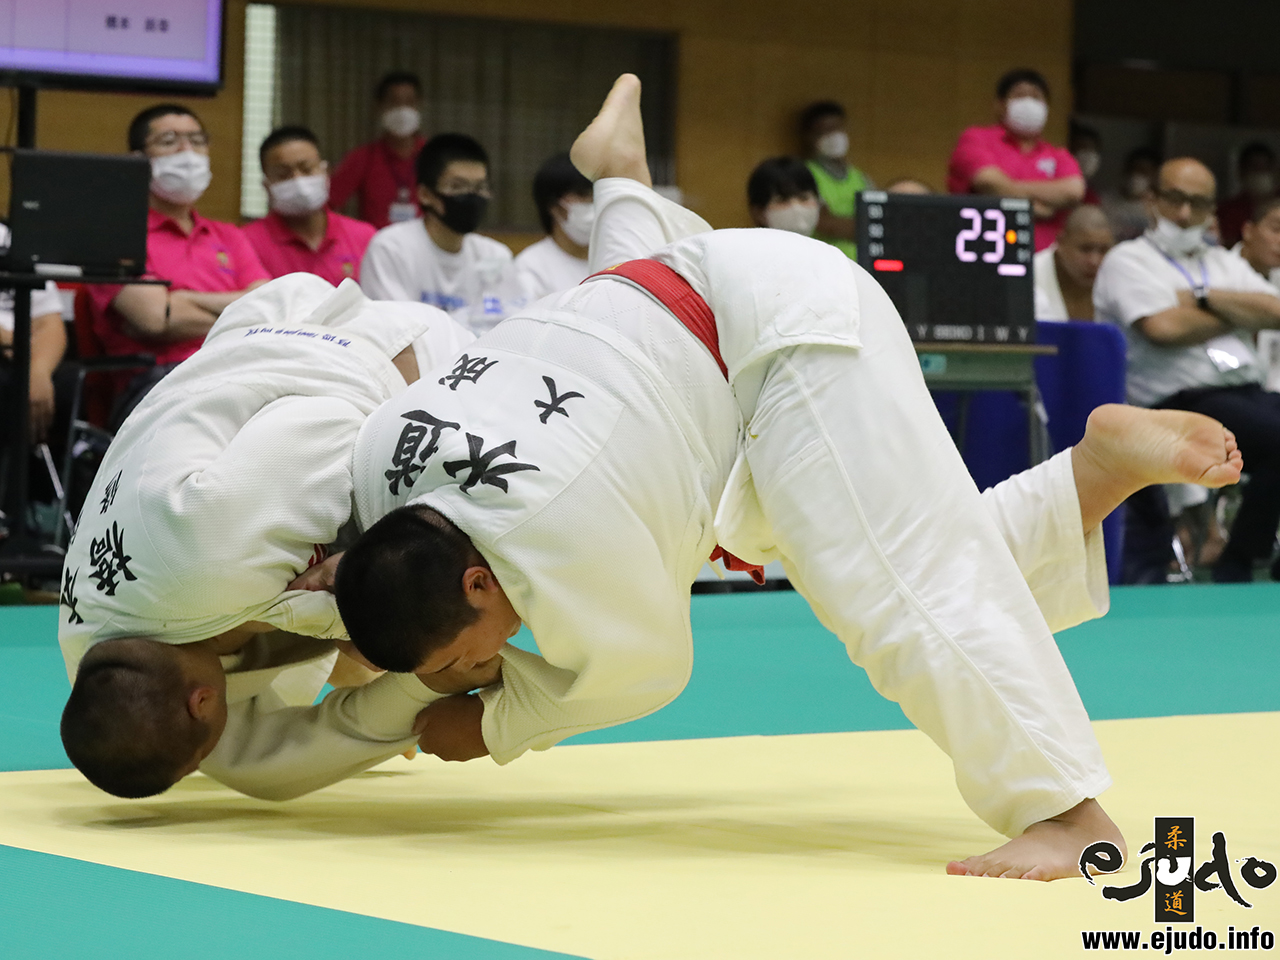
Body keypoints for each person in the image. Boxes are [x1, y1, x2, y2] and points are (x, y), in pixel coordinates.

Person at [331, 76, 1244, 882]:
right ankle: (1091, 473)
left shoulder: (556, 532)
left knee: (897, 588)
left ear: (477, 579)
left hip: (773, 341)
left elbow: (640, 675)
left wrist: (493, 727)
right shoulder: (386, 460)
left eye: (466, 655)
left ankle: (1065, 815)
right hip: (683, 322)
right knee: (913, 550)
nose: (482, 668)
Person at [58, 272, 477, 801]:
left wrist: (361, 600)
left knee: (432, 591)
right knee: (251, 761)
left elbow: (336, 416)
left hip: (379, 351)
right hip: (245, 359)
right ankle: (411, 683)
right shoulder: (88, 651)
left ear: (203, 700)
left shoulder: (216, 560)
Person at [1094, 157, 1280, 582]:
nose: (1184, 214)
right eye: (1175, 199)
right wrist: (1237, 312)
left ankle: (1247, 554)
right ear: (1152, 200)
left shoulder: (1220, 262)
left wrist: (1198, 295)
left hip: (1242, 390)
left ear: (1211, 210)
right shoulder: (1128, 261)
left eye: (1197, 203)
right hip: (1173, 399)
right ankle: (1238, 560)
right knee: (1277, 441)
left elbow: (1275, 309)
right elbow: (1162, 327)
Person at [87, 104, 270, 426]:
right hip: (161, 382)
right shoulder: (112, 235)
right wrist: (242, 312)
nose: (188, 152)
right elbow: (154, 320)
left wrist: (180, 300)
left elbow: (270, 305)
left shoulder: (229, 235)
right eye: (170, 141)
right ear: (137, 160)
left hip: (244, 366)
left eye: (197, 141)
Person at [360, 133, 522, 336]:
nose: (472, 197)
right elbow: (398, 332)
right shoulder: (391, 248)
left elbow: (511, 330)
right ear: (425, 195)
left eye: (480, 187)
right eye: (457, 187)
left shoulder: (495, 255)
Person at [947, 69, 1084, 251]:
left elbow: (1073, 191)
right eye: (1020, 95)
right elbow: (988, 181)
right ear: (1000, 105)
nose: (1029, 103)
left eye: (1036, 97)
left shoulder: (1058, 155)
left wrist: (1008, 191)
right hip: (983, 255)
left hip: (1043, 264)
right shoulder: (976, 139)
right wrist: (1033, 208)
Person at [243, 126, 378, 287]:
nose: (298, 180)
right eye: (283, 174)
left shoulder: (365, 237)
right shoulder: (246, 242)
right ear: (266, 185)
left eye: (307, 169)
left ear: (325, 172)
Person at [328, 71, 427, 229]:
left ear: (418, 105)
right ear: (380, 106)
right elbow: (329, 204)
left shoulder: (435, 156)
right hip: (376, 246)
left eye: (409, 102)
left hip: (425, 248)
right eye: (394, 102)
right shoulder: (363, 158)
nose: (402, 110)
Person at [0, 223, 64, 444]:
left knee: (66, 387)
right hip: (12, 354)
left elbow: (49, 322)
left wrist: (37, 371)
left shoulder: (9, 238)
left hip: (23, 358)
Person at [512, 153, 594, 302]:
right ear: (553, 205)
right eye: (582, 194)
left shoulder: (614, 260)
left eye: (596, 195)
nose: (592, 203)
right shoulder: (531, 266)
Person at [799, 101, 872, 258]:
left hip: (861, 264)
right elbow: (824, 223)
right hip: (824, 261)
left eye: (837, 129)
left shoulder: (859, 177)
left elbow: (879, 219)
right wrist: (866, 227)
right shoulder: (805, 174)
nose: (834, 136)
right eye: (825, 131)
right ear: (810, 137)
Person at [1033, 205, 1114, 321]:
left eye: (1103, 250)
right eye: (1085, 249)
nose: (1094, 261)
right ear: (1061, 242)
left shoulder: (1118, 272)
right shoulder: (1031, 274)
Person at [1216, 142, 1278, 250]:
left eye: (1265, 167)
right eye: (1255, 168)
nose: (1260, 173)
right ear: (1241, 171)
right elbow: (1225, 244)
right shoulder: (1227, 211)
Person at [745, 157, 820, 235]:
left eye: (804, 198)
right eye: (782, 200)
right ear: (759, 212)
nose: (796, 208)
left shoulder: (824, 247)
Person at [1101, 146, 1160, 242]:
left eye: (1143, 171)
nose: (1137, 174)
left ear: (1154, 175)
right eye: (1133, 169)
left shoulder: (1157, 207)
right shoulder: (1105, 201)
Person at [1069, 123, 1103, 205]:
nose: (1088, 156)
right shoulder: (1055, 186)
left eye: (1092, 150)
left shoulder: (1092, 197)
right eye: (1083, 148)